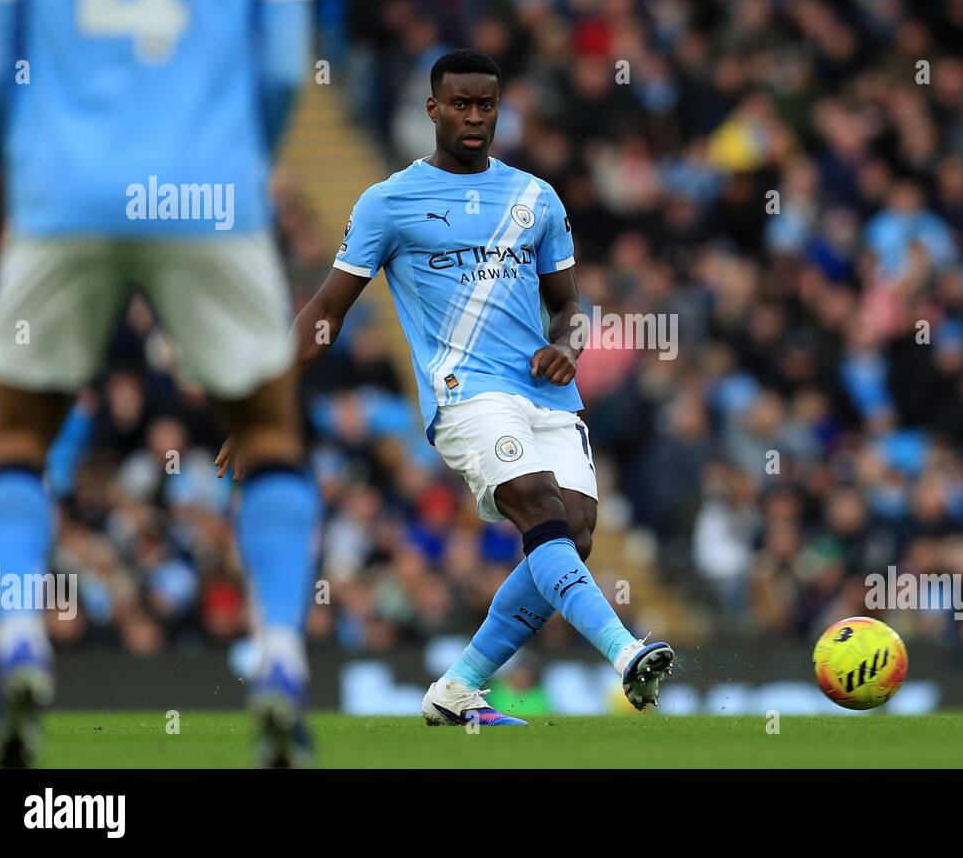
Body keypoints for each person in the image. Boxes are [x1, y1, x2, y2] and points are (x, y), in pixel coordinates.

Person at [217, 48, 675, 725]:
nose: (473, 116)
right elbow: (325, 312)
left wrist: (566, 347)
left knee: (572, 536)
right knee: (539, 508)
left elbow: (571, 307)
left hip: (546, 395)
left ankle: (456, 689)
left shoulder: (534, 197)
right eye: (459, 104)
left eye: (485, 104)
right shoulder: (389, 202)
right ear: (431, 109)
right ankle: (625, 652)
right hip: (468, 394)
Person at [0, 0, 322, 767]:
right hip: (210, 191)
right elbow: (285, 63)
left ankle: (19, 635)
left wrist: (31, 165)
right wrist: (241, 163)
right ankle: (279, 652)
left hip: (63, 190)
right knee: (271, 434)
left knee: (15, 433)